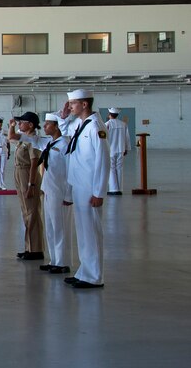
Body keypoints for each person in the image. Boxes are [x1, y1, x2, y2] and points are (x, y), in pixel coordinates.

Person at [57, 88, 109, 289]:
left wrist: (99, 192)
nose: (69, 107)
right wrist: (63, 118)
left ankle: (95, 276)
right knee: (83, 231)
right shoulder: (80, 124)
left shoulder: (96, 127)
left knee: (92, 232)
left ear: (84, 104)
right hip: (79, 185)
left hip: (90, 187)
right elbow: (65, 136)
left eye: (73, 103)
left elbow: (103, 161)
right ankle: (85, 272)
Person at [14, 114, 73, 274]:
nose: (44, 127)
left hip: (60, 190)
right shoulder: (48, 142)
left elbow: (70, 171)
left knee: (59, 227)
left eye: (48, 124)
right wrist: (13, 126)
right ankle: (54, 260)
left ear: (56, 127)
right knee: (51, 228)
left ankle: (63, 262)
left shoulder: (65, 144)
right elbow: (21, 137)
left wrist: (69, 195)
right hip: (49, 188)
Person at [9, 112, 44, 261]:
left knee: (32, 212)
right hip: (19, 173)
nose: (19, 124)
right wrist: (11, 126)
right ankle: (29, 247)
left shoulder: (33, 141)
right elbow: (10, 138)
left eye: (21, 122)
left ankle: (36, 250)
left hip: (28, 175)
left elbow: (34, 164)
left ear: (30, 125)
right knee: (26, 212)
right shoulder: (24, 139)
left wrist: (31, 184)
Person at [105, 108, 130, 195]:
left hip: (111, 149)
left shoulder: (107, 124)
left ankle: (113, 189)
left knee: (111, 168)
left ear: (109, 114)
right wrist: (126, 148)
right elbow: (127, 137)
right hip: (120, 149)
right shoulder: (123, 124)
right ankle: (120, 189)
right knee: (119, 168)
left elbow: (104, 138)